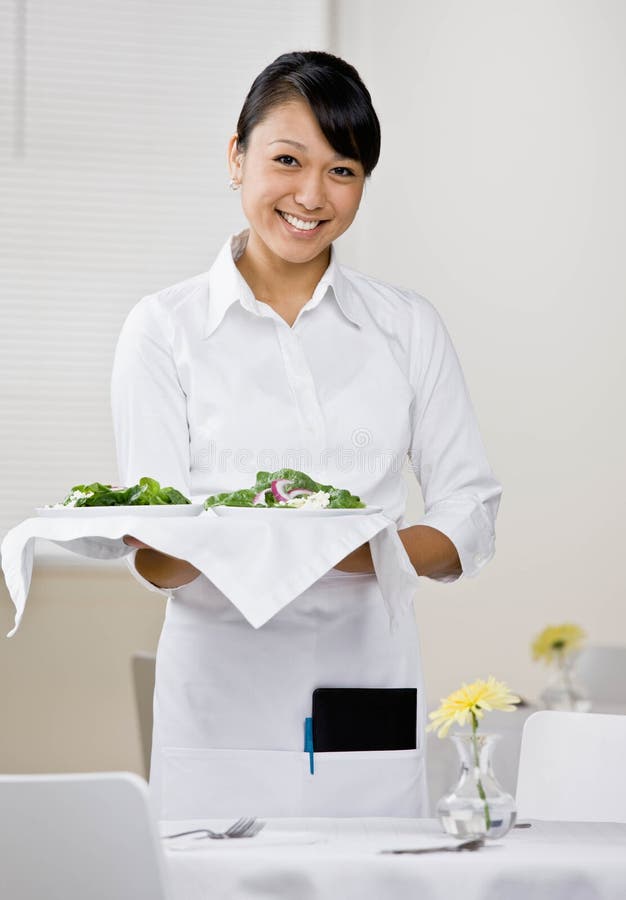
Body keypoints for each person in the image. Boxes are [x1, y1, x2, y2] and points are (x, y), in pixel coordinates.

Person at [112, 50, 502, 819]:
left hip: (363, 691)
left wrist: (358, 549)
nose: (311, 195)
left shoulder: (406, 327)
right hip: (221, 703)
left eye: (343, 170)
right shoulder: (164, 330)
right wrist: (186, 537)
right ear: (237, 157)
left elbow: (471, 513)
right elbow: (158, 557)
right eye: (287, 160)